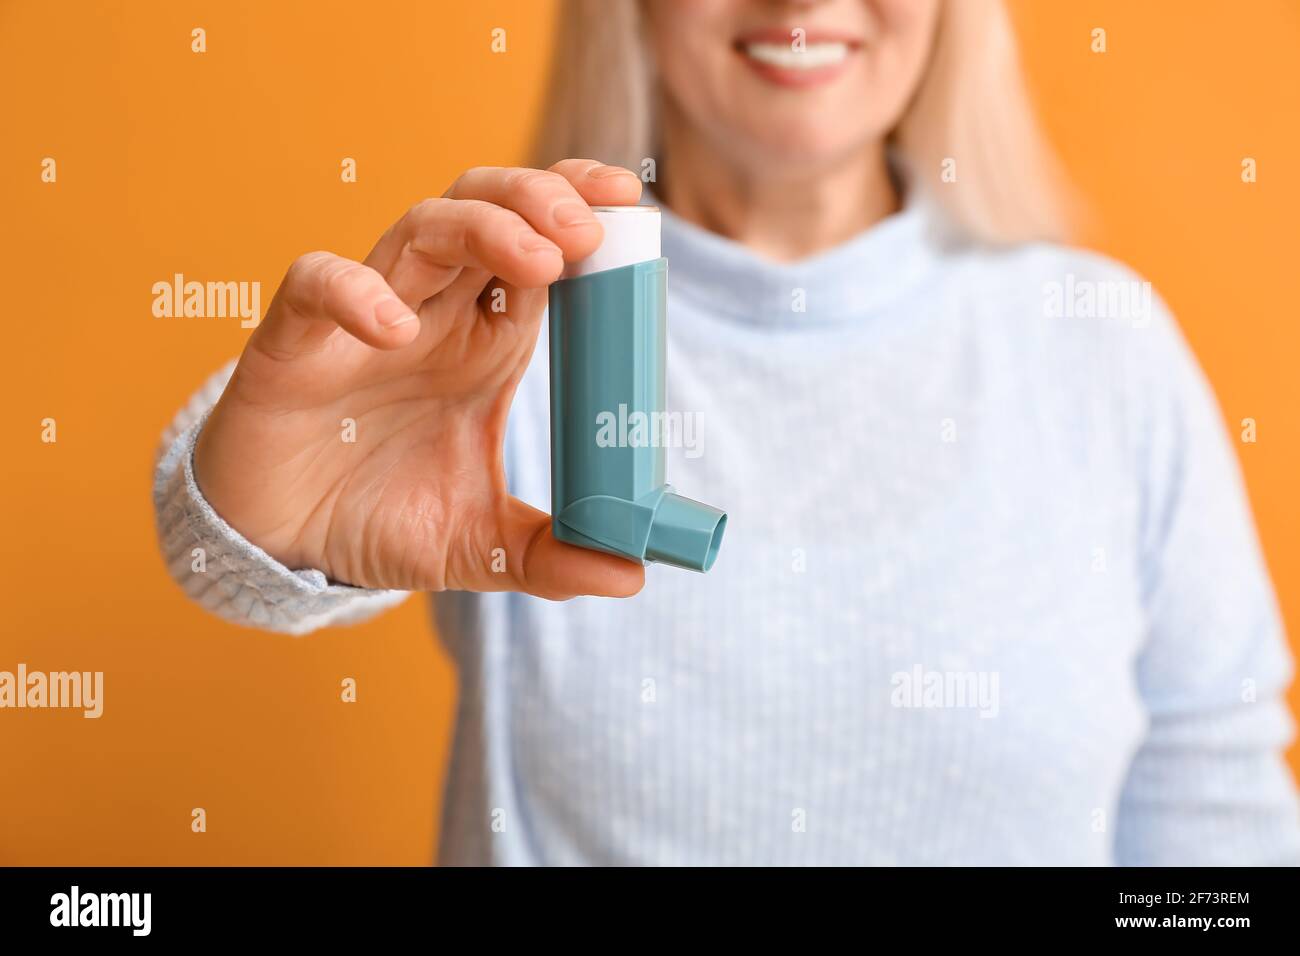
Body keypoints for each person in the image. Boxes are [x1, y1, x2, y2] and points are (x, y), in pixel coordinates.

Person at [153, 0, 1300, 865]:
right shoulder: (508, 319)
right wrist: (267, 517)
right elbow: (221, 552)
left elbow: (1212, 799)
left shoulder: (1096, 343)